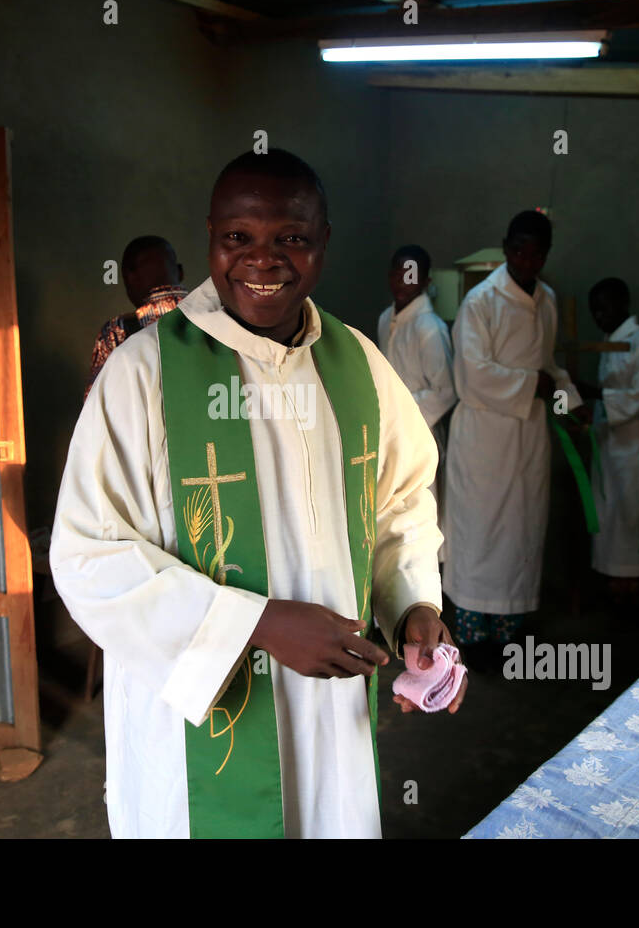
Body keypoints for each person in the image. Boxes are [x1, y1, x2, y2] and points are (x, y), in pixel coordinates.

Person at [50, 149, 463, 839]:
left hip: (329, 706)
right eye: (238, 237)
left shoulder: (359, 364)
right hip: (199, 722)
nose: (263, 260)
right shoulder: (142, 373)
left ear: (323, 242)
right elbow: (89, 555)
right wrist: (256, 626)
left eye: (291, 238)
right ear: (210, 238)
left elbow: (399, 503)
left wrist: (413, 606)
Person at [444, 210, 589, 654]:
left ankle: (509, 629)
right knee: (481, 529)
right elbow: (472, 375)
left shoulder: (546, 300)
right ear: (507, 248)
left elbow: (548, 367)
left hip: (528, 434)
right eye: (520, 250)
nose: (528, 260)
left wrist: (569, 404)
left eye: (537, 253)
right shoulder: (481, 302)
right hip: (484, 436)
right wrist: (534, 384)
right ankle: (472, 632)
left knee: (522, 527)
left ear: (546, 255)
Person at [573, 278, 639, 594]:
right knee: (611, 512)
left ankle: (636, 582)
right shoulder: (609, 341)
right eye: (595, 310)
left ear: (624, 303)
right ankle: (616, 580)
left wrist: (595, 394)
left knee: (635, 511)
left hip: (637, 440)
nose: (600, 315)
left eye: (606, 307)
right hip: (610, 440)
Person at [376, 244, 456, 547]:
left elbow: (445, 391)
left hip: (419, 433)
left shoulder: (429, 327)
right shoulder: (387, 319)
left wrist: (402, 414)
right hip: (389, 433)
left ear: (425, 281)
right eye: (398, 273)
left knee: (418, 517)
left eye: (411, 275)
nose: (403, 280)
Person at [84, 235, 186, 397]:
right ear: (180, 272)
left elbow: (96, 403)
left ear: (129, 279)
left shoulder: (116, 331)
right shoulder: (217, 315)